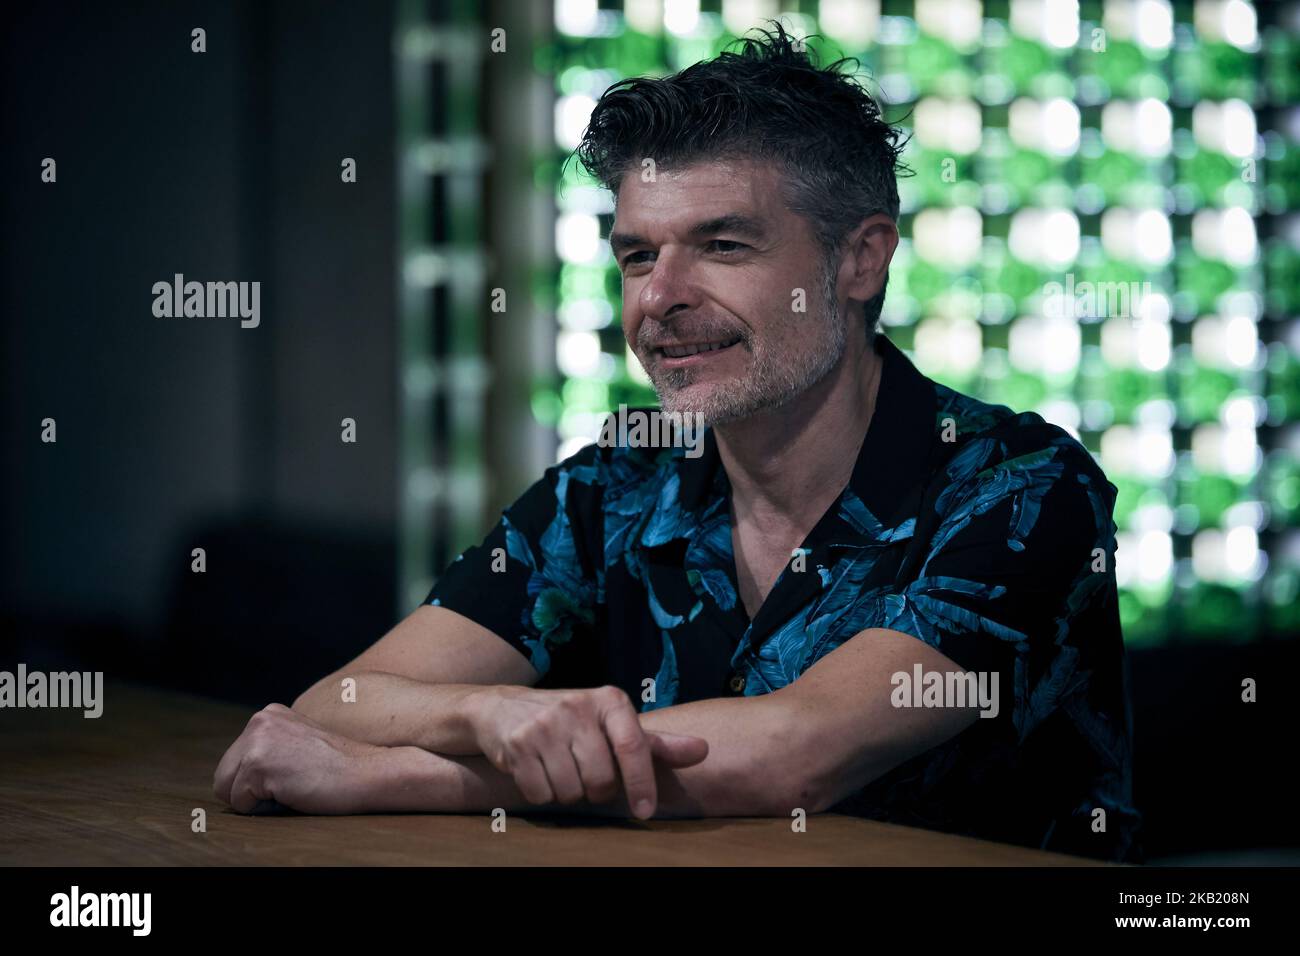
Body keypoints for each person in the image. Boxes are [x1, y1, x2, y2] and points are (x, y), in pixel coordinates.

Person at [214, 23, 1141, 863]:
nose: (659, 298)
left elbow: (793, 755)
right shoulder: (612, 489)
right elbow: (338, 706)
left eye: (724, 246)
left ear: (861, 259)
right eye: (637, 255)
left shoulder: (1019, 488)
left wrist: (397, 778)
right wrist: (486, 711)